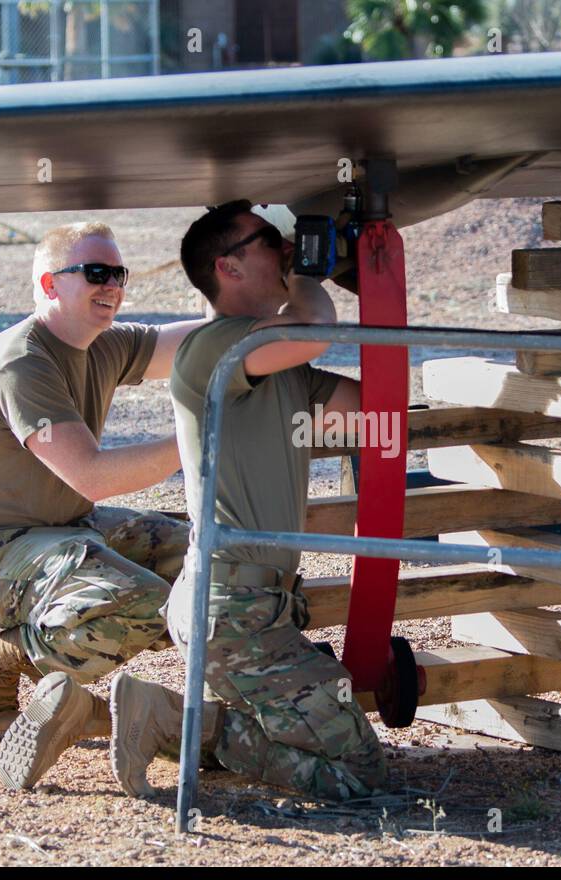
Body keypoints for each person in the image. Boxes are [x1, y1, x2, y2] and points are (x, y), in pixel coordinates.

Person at [107, 200, 388, 802]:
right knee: (358, 772)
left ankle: (144, 718)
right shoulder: (214, 350)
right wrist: (311, 268)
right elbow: (316, 328)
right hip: (232, 607)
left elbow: (369, 410)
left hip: (248, 607)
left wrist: (372, 284)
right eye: (271, 240)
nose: (284, 250)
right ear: (227, 267)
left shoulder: (274, 365)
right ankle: (171, 720)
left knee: (307, 740)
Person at [0, 221, 203, 790]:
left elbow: (198, 345)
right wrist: (198, 440)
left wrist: (269, 292)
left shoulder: (101, 343)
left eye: (118, 274)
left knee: (210, 554)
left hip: (64, 524)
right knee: (140, 605)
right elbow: (92, 475)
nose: (113, 286)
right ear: (51, 285)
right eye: (96, 273)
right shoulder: (22, 361)